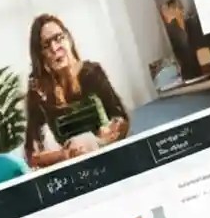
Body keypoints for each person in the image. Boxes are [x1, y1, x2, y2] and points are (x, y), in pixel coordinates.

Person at [23, 14, 130, 170]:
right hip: (72, 167)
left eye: (58, 38)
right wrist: (65, 154)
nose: (54, 48)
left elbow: (121, 119)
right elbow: (32, 153)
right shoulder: (38, 90)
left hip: (107, 155)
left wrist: (99, 142)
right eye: (46, 45)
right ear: (40, 55)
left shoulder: (92, 72)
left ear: (69, 39)